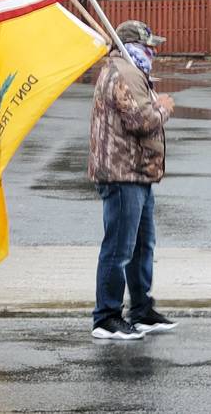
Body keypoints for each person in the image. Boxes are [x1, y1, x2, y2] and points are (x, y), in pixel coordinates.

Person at [88, 20, 177, 341]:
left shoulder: (130, 70)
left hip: (137, 173)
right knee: (119, 248)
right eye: (149, 45)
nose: (154, 51)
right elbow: (141, 121)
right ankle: (107, 316)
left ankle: (141, 310)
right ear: (133, 46)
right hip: (122, 173)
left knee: (141, 246)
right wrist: (164, 108)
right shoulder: (124, 73)